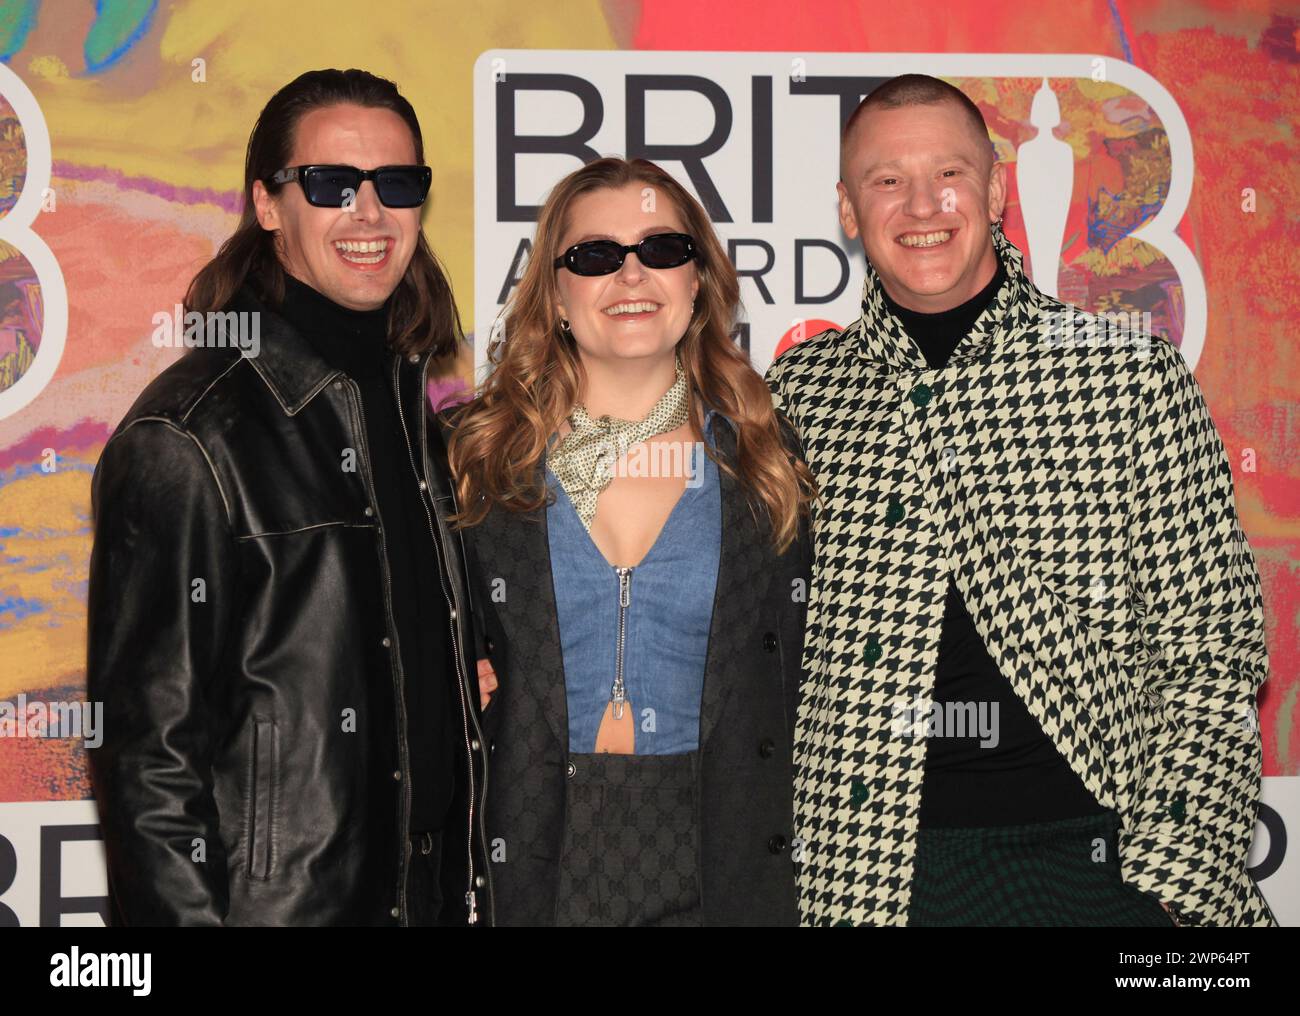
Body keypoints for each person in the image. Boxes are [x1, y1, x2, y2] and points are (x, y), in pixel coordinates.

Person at [766, 73, 1275, 927]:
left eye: (949, 174)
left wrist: (1176, 868)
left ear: (998, 189)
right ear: (849, 211)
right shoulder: (800, 396)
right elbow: (756, 640)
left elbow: (1215, 648)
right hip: (878, 877)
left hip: (1110, 861)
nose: (921, 204)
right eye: (886, 180)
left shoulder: (1126, 378)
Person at [86, 68, 490, 926]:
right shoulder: (189, 437)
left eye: (398, 184)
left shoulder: (427, 424)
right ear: (269, 206)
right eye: (332, 184)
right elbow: (149, 767)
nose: (370, 212)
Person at [446, 156, 817, 926]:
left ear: (699, 283)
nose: (632, 275)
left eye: (662, 250)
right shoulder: (469, 461)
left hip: (722, 868)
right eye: (595, 257)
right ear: (555, 293)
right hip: (527, 863)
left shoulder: (771, 461)